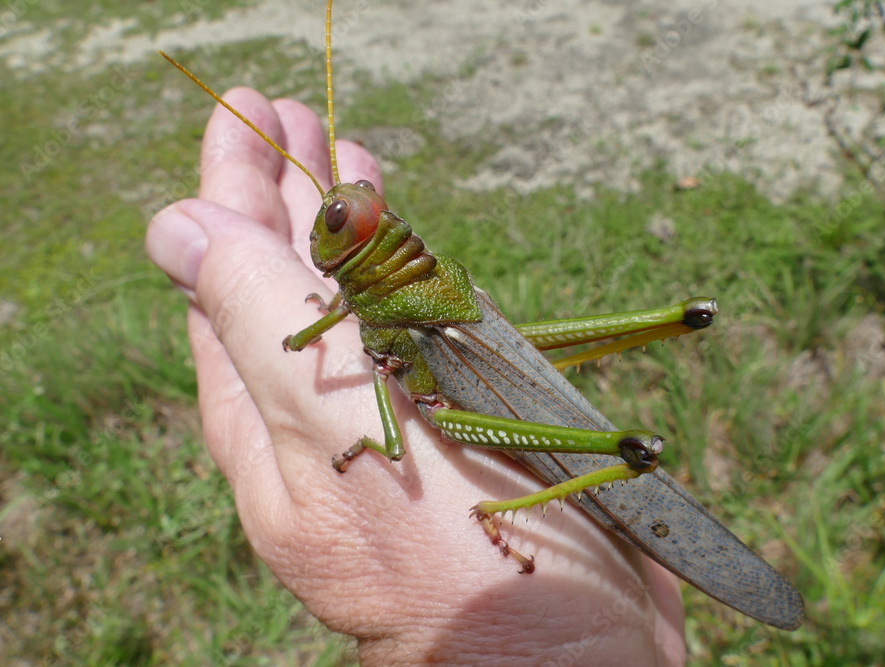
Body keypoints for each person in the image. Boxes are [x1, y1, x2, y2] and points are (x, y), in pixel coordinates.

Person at [146, 87, 686, 665]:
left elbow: (395, 441)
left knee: (456, 418)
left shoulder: (385, 298)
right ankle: (620, 451)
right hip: (465, 343)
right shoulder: (398, 282)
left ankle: (516, 501)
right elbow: (341, 313)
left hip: (478, 389)